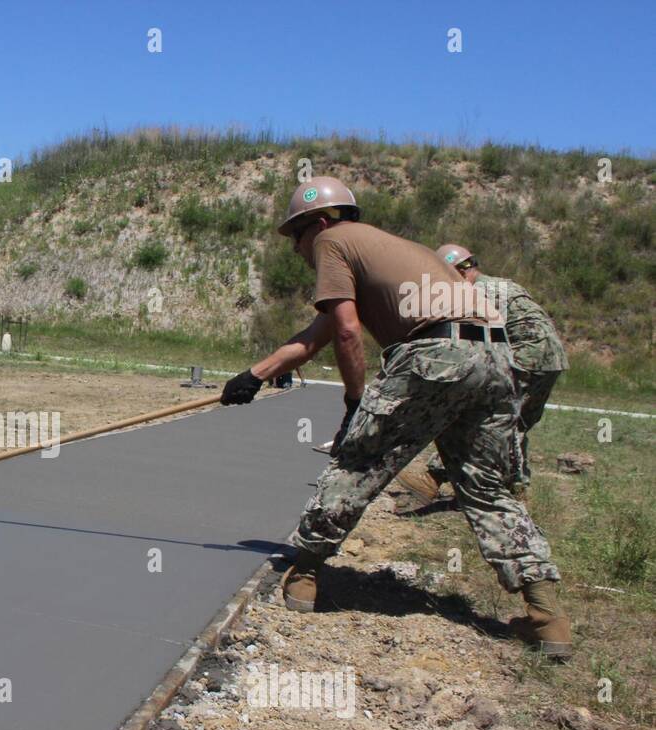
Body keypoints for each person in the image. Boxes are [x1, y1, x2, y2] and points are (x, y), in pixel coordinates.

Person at [219, 177, 571, 660]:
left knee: (360, 462)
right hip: (494, 360)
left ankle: (304, 575)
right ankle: (547, 617)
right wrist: (254, 376)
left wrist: (355, 401)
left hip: (432, 356)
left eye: (296, 237)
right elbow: (316, 334)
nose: (298, 250)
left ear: (318, 222)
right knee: (486, 488)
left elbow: (346, 333)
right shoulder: (393, 250)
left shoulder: (332, 241)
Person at [398, 244, 569, 502]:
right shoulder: (502, 285)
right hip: (549, 359)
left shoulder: (475, 293)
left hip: (527, 358)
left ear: (457, 271)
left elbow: (470, 342)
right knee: (515, 422)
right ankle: (516, 488)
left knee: (482, 416)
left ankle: (435, 477)